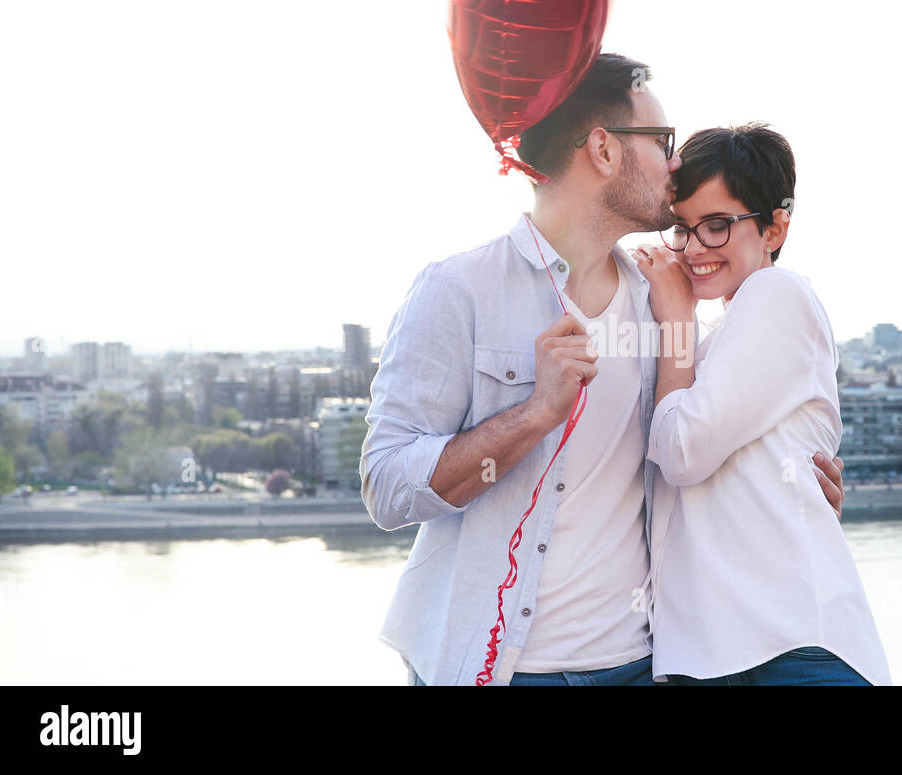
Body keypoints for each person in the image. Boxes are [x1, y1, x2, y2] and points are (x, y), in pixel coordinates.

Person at [359, 55, 848, 686]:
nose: (676, 163)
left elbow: (695, 451)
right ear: (604, 150)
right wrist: (534, 416)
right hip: (493, 665)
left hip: (641, 665)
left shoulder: (664, 304)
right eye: (663, 142)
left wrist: (796, 484)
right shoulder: (460, 289)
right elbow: (387, 487)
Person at [634, 123, 892, 686]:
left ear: (775, 226)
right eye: (683, 229)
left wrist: (676, 319)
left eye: (717, 226)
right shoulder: (717, 340)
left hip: (793, 649)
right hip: (708, 658)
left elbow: (681, 451)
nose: (695, 247)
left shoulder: (779, 294)